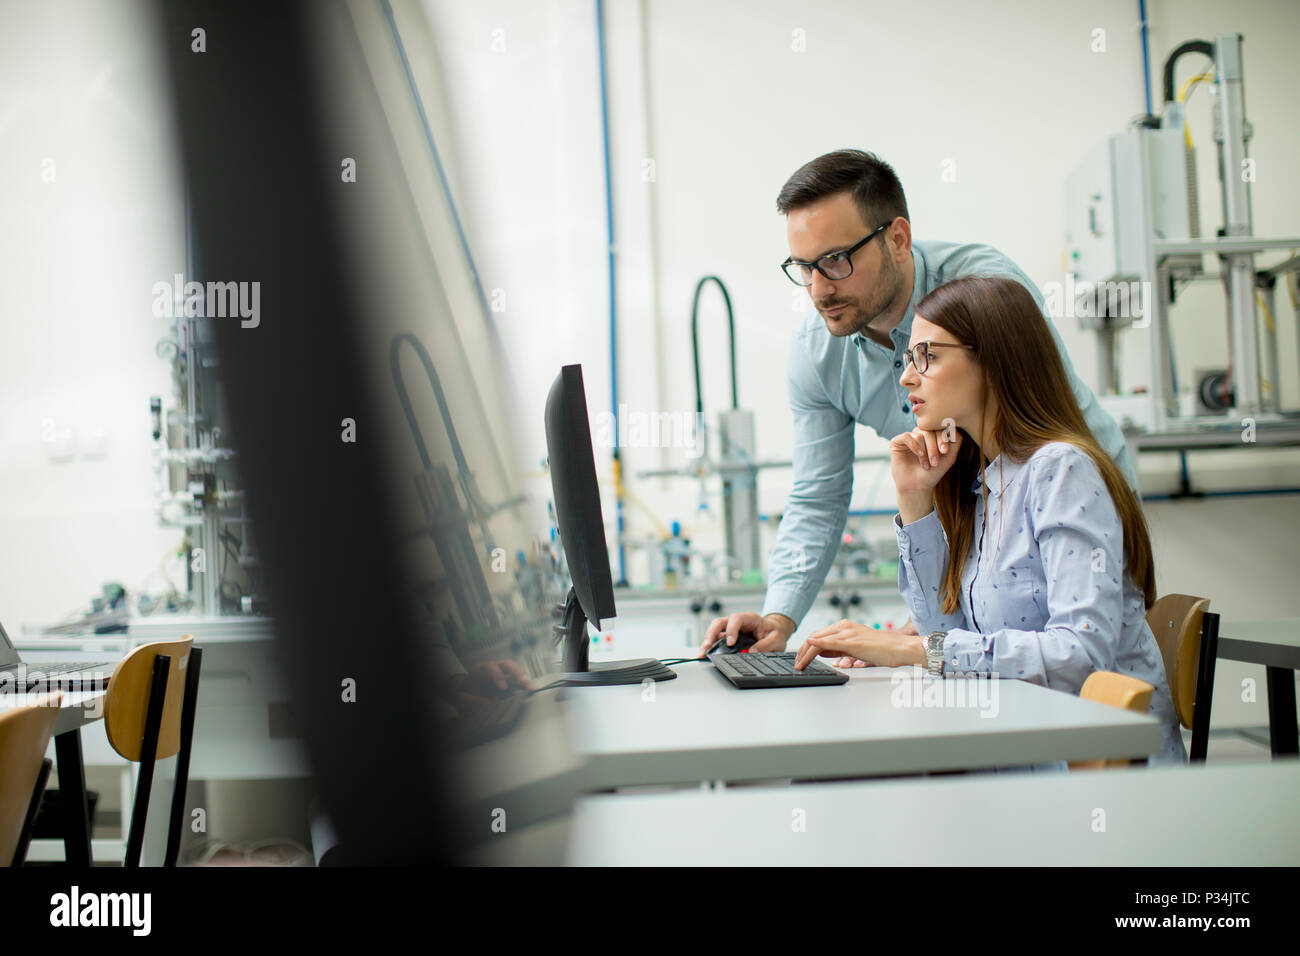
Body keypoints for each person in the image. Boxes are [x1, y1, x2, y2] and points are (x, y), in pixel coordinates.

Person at [701, 148, 1135, 658]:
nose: (818, 289)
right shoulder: (818, 351)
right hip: (981, 538)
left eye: (836, 260)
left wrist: (937, 643)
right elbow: (818, 496)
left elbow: (1043, 421)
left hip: (1076, 505)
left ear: (898, 239)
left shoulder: (984, 291)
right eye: (804, 267)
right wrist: (781, 616)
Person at [792, 275, 1186, 767]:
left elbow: (1080, 657)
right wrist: (916, 499)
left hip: (1091, 783)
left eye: (927, 357)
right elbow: (943, 626)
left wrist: (910, 650)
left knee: (845, 781)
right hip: (1023, 753)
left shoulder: (1061, 472)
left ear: (993, 360)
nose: (906, 378)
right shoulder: (986, 481)